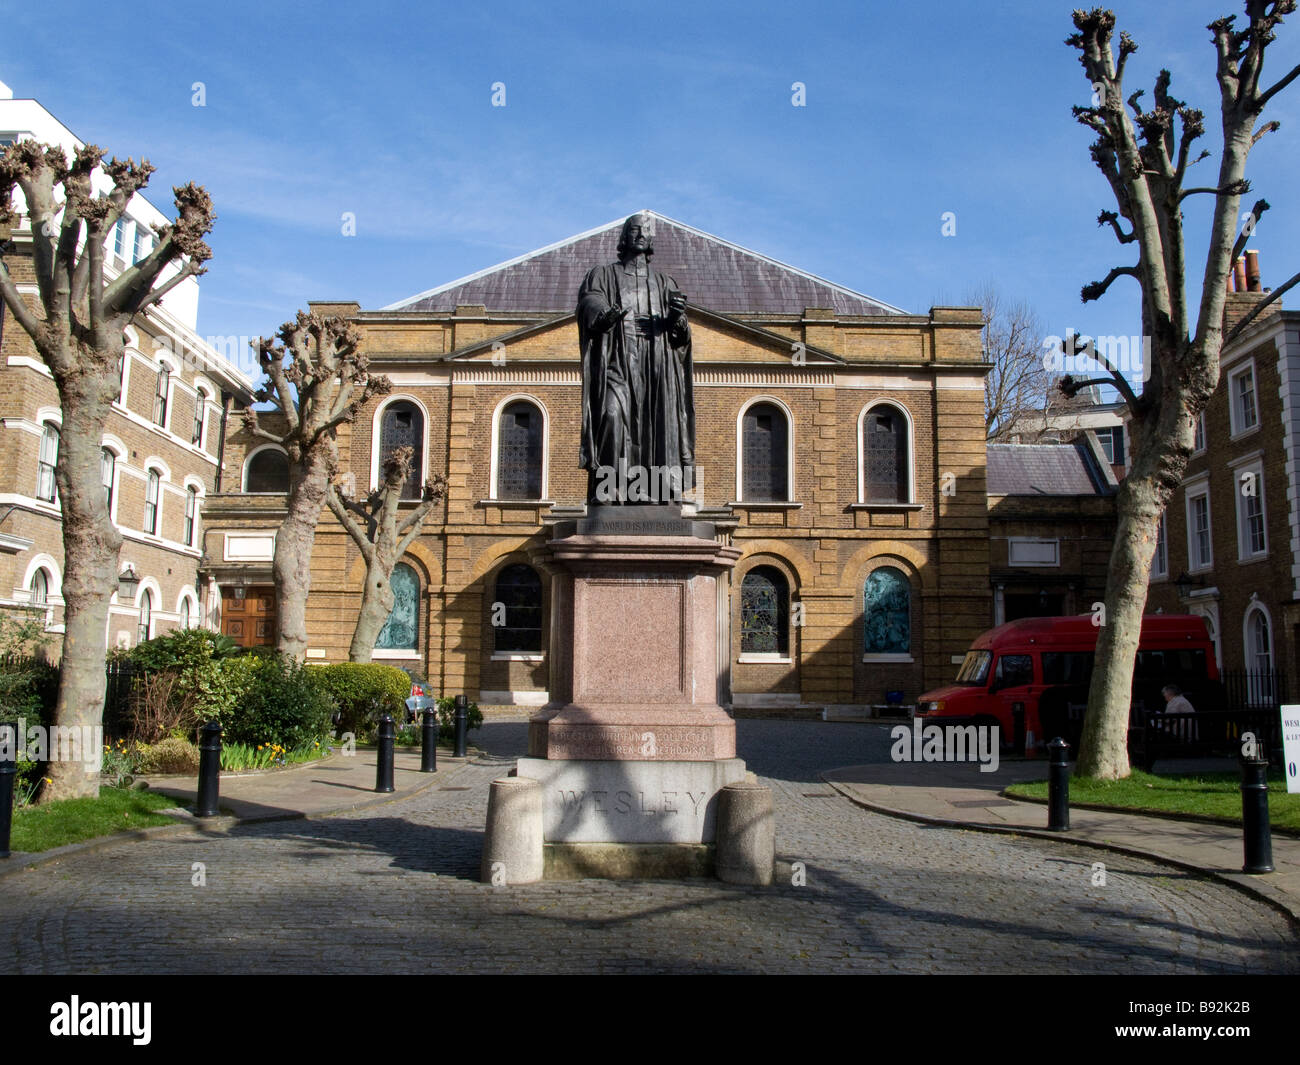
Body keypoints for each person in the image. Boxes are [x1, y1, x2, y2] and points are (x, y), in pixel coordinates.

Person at [576, 213, 694, 504]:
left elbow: (681, 339)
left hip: (655, 366)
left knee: (658, 425)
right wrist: (603, 315)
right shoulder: (603, 274)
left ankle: (657, 492)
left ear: (652, 239)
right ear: (624, 236)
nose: (641, 234)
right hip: (617, 358)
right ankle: (612, 491)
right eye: (635, 229)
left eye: (646, 230)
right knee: (611, 414)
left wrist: (678, 318)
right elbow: (590, 300)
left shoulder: (664, 283)